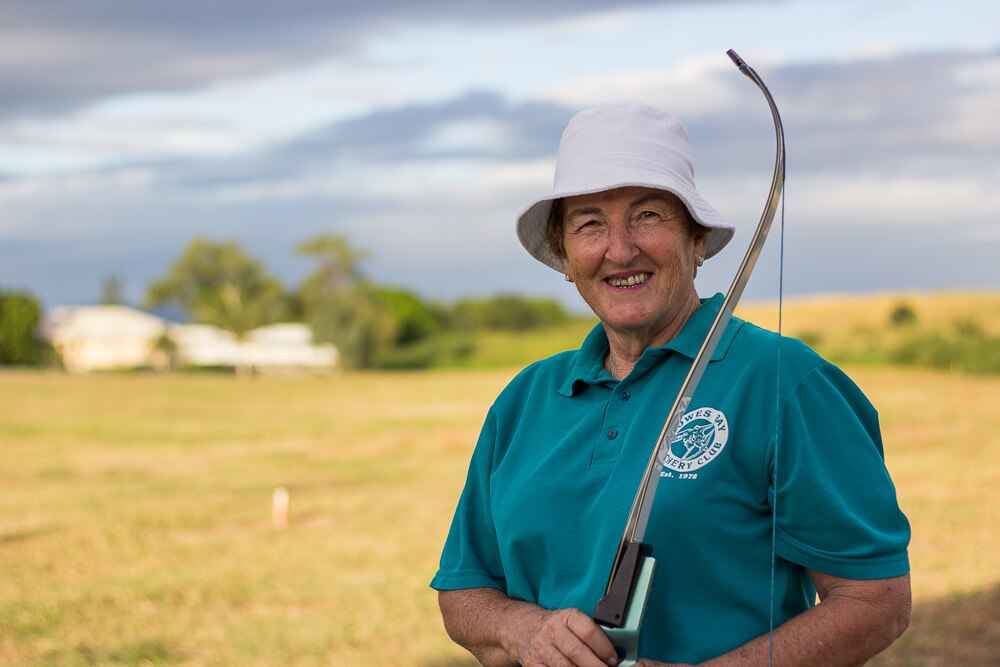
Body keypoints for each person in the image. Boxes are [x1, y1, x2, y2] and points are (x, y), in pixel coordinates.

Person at [430, 103, 911, 666]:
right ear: (564, 255)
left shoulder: (783, 381)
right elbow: (463, 591)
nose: (620, 249)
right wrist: (524, 629)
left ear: (697, 239)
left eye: (648, 215)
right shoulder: (524, 399)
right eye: (589, 224)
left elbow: (876, 600)